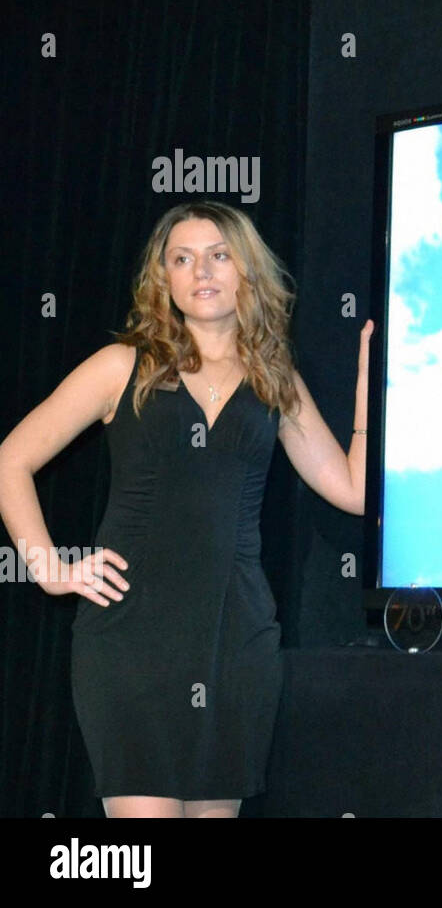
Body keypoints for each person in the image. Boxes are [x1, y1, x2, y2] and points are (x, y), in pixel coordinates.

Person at [0, 201, 372, 818]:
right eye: (183, 258)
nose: (201, 270)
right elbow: (11, 458)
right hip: (130, 643)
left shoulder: (274, 380)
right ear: (164, 279)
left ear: (246, 271)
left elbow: (354, 490)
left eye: (218, 255)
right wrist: (47, 566)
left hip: (235, 641)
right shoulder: (124, 366)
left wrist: (369, 382)